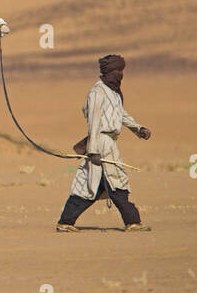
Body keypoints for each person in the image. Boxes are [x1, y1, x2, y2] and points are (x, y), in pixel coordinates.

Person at [56, 54, 152, 232]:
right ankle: (132, 222)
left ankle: (67, 221)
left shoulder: (113, 92)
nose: (120, 75)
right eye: (117, 71)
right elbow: (93, 121)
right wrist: (93, 151)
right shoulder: (97, 92)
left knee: (106, 183)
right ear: (108, 72)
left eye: (122, 71)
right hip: (100, 142)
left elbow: (120, 114)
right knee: (101, 183)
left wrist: (138, 128)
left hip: (109, 144)